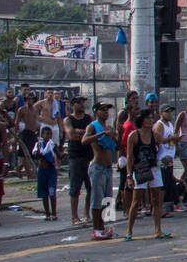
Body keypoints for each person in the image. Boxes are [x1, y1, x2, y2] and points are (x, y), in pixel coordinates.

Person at [124, 108, 169, 240]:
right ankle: (129, 230)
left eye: (151, 118)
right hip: (140, 169)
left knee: (156, 200)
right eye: (148, 118)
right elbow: (129, 157)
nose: (151, 121)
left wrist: (163, 160)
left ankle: (158, 229)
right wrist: (129, 175)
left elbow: (160, 152)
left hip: (154, 168)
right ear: (141, 120)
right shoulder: (134, 136)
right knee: (136, 200)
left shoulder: (155, 135)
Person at [82, 101, 117, 240]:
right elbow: (84, 140)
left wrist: (114, 136)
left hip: (108, 168)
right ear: (96, 112)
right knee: (97, 200)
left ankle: (104, 227)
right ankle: (96, 229)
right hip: (97, 167)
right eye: (102, 110)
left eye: (107, 110)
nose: (106, 112)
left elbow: (117, 146)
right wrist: (101, 134)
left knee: (107, 200)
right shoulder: (93, 126)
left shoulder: (108, 127)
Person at [64, 96, 93, 225]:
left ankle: (86, 213)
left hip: (89, 155)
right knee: (75, 188)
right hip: (75, 156)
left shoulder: (88, 118)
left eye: (83, 103)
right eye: (79, 103)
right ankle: (74, 217)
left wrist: (80, 133)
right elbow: (71, 135)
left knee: (90, 187)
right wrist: (84, 134)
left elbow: (91, 134)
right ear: (73, 105)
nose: (82, 105)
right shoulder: (68, 119)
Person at [155, 103, 181, 215]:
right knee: (162, 185)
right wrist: (170, 138)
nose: (170, 114)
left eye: (171, 111)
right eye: (167, 112)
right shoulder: (159, 125)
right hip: (162, 158)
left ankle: (167, 206)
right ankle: (159, 208)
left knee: (169, 183)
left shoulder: (170, 124)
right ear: (161, 113)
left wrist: (175, 141)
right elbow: (158, 140)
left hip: (169, 157)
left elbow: (172, 140)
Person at [33, 125, 61, 221]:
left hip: (51, 170)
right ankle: (47, 213)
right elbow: (36, 155)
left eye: (50, 134)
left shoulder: (53, 145)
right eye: (46, 134)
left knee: (52, 192)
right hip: (42, 170)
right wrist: (39, 154)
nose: (48, 136)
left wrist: (63, 154)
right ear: (42, 135)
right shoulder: (39, 145)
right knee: (44, 193)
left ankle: (54, 213)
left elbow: (59, 155)